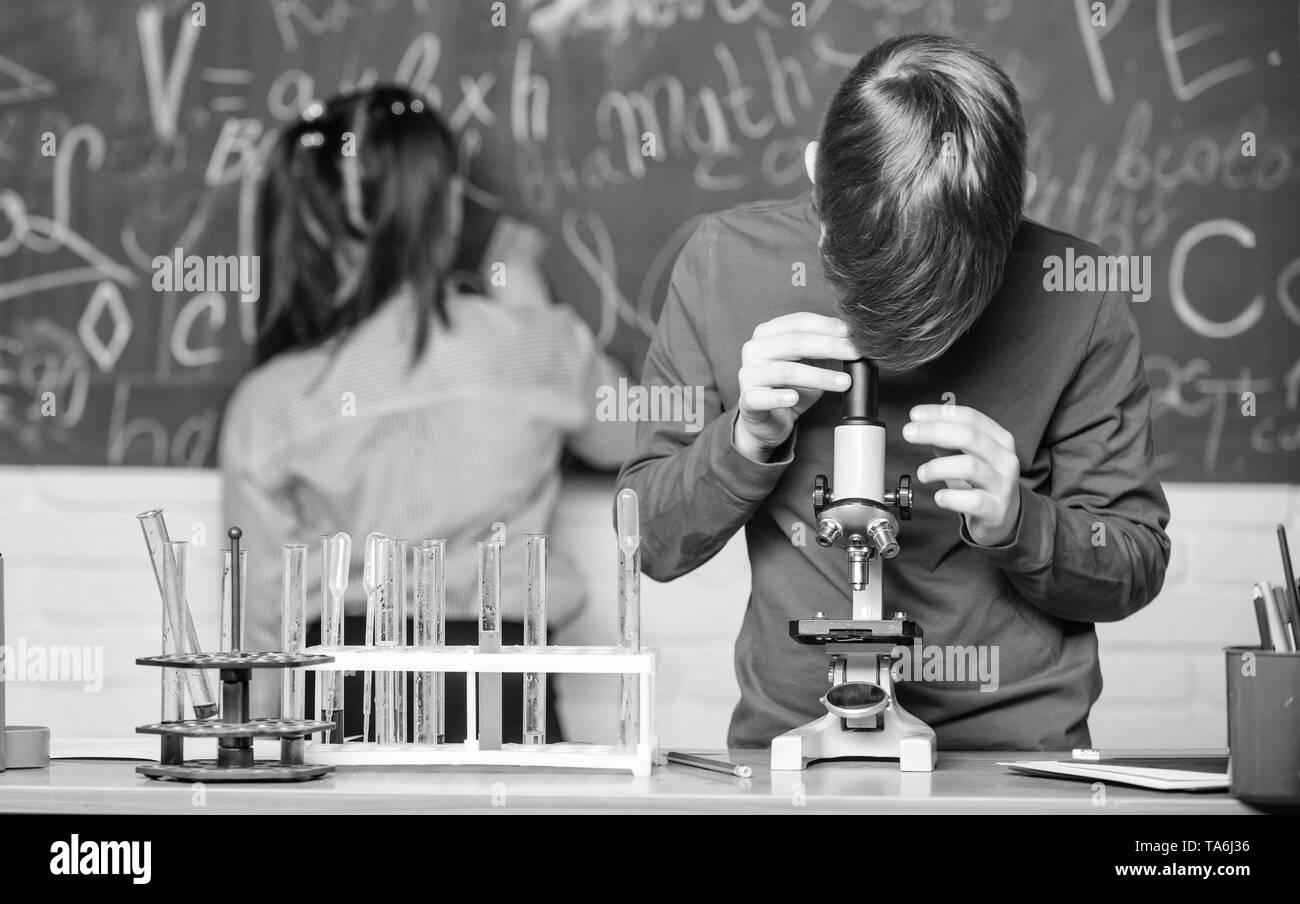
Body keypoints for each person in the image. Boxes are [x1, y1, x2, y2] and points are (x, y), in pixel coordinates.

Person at [617, 34, 1171, 751]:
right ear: (818, 178)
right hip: (796, 748)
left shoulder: (1078, 293)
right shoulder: (722, 264)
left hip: (1013, 764)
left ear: (1014, 211)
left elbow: (1134, 563)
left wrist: (1022, 524)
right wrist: (744, 442)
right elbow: (650, 544)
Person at [220, 85, 633, 739]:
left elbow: (264, 625)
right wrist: (527, 306)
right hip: (505, 697)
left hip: (337, 704)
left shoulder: (271, 403)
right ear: (444, 210)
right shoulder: (533, 348)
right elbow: (634, 437)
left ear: (316, 223)